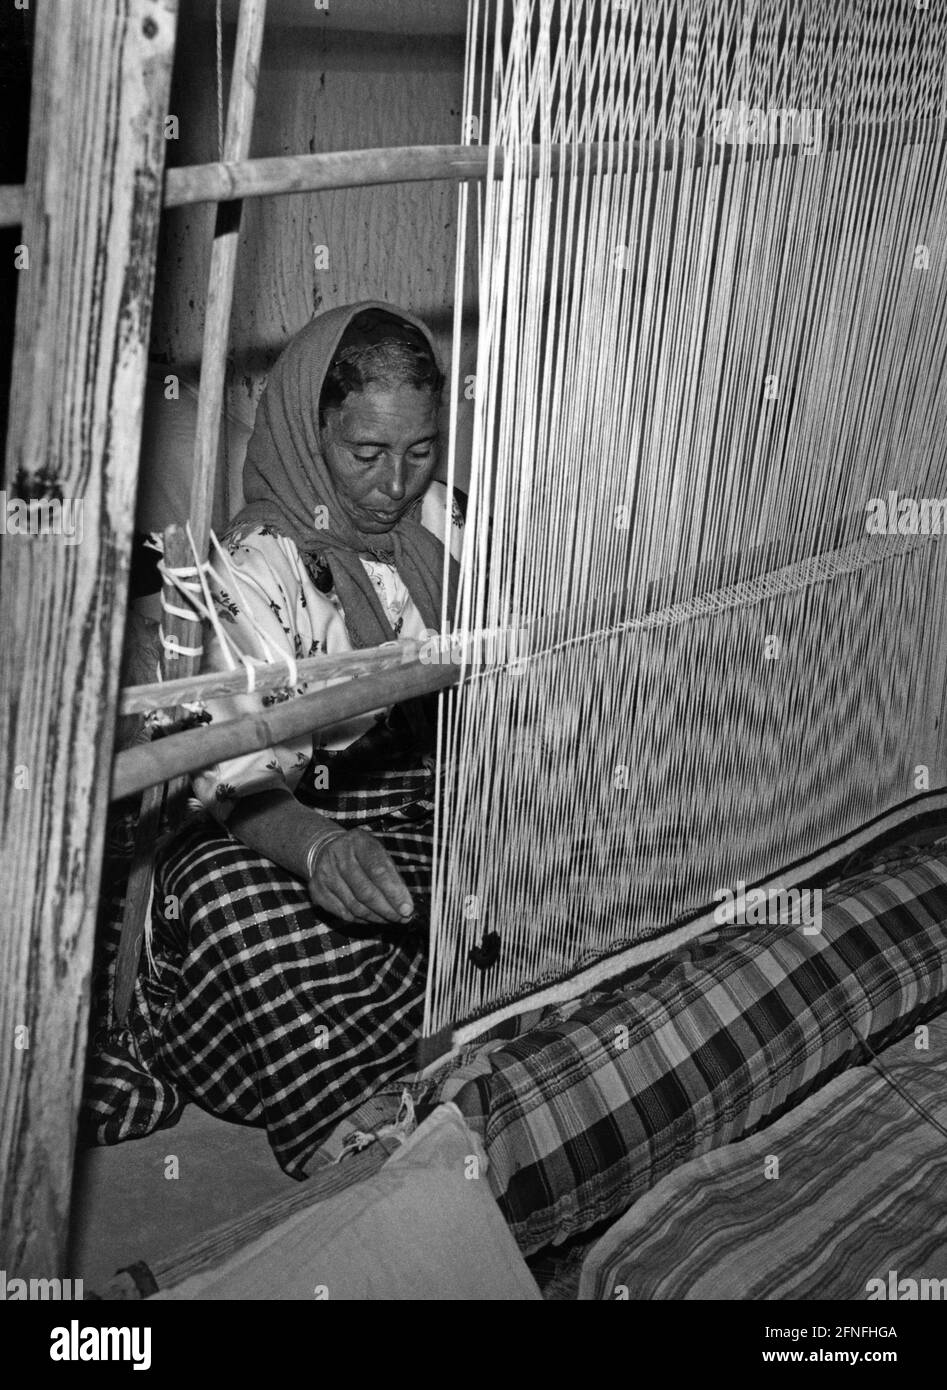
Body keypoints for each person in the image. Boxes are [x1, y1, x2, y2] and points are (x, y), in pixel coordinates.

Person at [86, 302, 464, 1177]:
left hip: (416, 801)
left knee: (517, 853)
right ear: (307, 429)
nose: (395, 484)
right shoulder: (256, 568)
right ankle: (348, 1098)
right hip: (269, 825)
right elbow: (229, 776)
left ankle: (459, 1032)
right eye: (364, 454)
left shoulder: (444, 529)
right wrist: (321, 849)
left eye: (419, 450)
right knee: (230, 902)